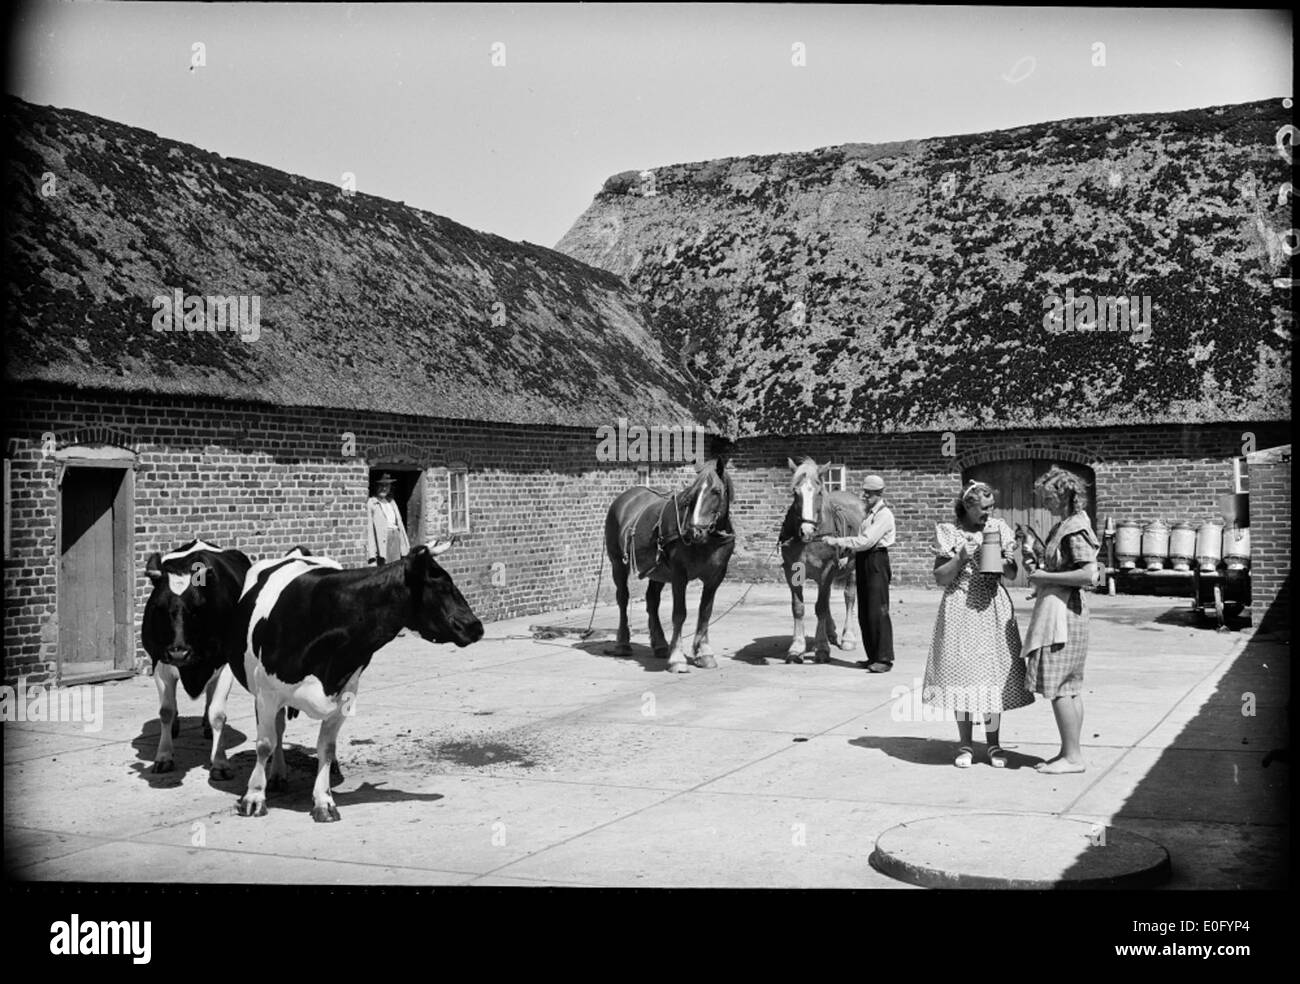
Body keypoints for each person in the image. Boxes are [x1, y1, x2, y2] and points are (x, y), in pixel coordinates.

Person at [923, 480, 1034, 767]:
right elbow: (940, 578)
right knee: (964, 676)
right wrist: (962, 556)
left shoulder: (999, 529)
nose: (989, 513)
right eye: (983, 509)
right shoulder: (949, 532)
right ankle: (965, 745)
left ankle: (994, 744)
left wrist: (1002, 559)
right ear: (967, 507)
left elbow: (1011, 574)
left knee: (991, 677)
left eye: (991, 507)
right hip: (960, 608)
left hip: (992, 607)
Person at [1023, 467, 1101, 775]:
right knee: (1070, 687)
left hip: (1065, 616)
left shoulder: (1074, 529)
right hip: (1069, 611)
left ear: (1064, 496)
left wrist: (1045, 577)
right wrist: (1047, 584)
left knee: (1059, 687)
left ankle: (1072, 757)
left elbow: (1089, 574)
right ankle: (1070, 752)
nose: (1044, 504)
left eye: (1047, 498)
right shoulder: (1069, 524)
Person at [823, 474, 895, 672]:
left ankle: (884, 658)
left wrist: (837, 541)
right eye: (865, 493)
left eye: (869, 494)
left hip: (876, 560)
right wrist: (849, 554)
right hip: (864, 559)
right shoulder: (870, 513)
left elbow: (866, 541)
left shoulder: (884, 515)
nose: (865, 496)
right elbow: (861, 542)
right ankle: (872, 656)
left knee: (878, 610)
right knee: (865, 610)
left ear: (878, 494)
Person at [366, 473, 410, 565]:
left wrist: (405, 546)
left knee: (396, 567)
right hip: (384, 540)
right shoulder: (372, 503)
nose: (384, 488)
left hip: (396, 537)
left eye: (387, 485)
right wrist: (372, 555)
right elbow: (370, 530)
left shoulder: (391, 502)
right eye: (381, 485)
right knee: (385, 569)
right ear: (376, 486)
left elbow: (400, 524)